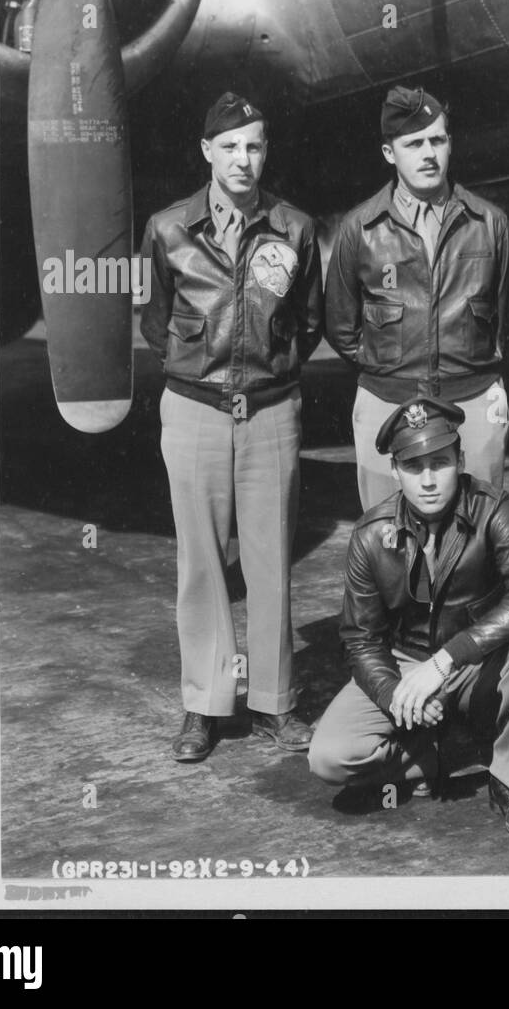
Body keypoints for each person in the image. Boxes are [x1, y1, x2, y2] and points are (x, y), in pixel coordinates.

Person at [140, 92, 324, 761]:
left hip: (272, 411)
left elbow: (307, 323)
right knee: (200, 562)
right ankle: (205, 703)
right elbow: (157, 324)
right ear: (206, 152)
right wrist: (201, 377)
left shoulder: (295, 228)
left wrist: (268, 376)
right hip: (194, 409)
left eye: (255, 145)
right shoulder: (167, 229)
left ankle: (276, 701)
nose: (243, 160)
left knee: (272, 556)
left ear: (265, 151)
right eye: (231, 147)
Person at [308, 397, 509, 837]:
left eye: (440, 463)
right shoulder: (372, 535)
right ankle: (436, 754)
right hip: (407, 665)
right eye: (413, 467)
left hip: (479, 659)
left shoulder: (492, 508)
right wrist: (397, 696)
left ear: (460, 460)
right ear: (394, 471)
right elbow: (361, 639)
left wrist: (446, 661)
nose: (428, 480)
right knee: (330, 758)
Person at [324, 86, 509, 510]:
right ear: (389, 152)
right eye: (414, 143)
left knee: (478, 534)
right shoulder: (360, 227)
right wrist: (388, 371)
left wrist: (470, 370)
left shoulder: (489, 223)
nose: (428, 153)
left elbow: (508, 316)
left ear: (450, 144)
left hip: (472, 402)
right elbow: (341, 326)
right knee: (387, 536)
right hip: (386, 403)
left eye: (438, 140)